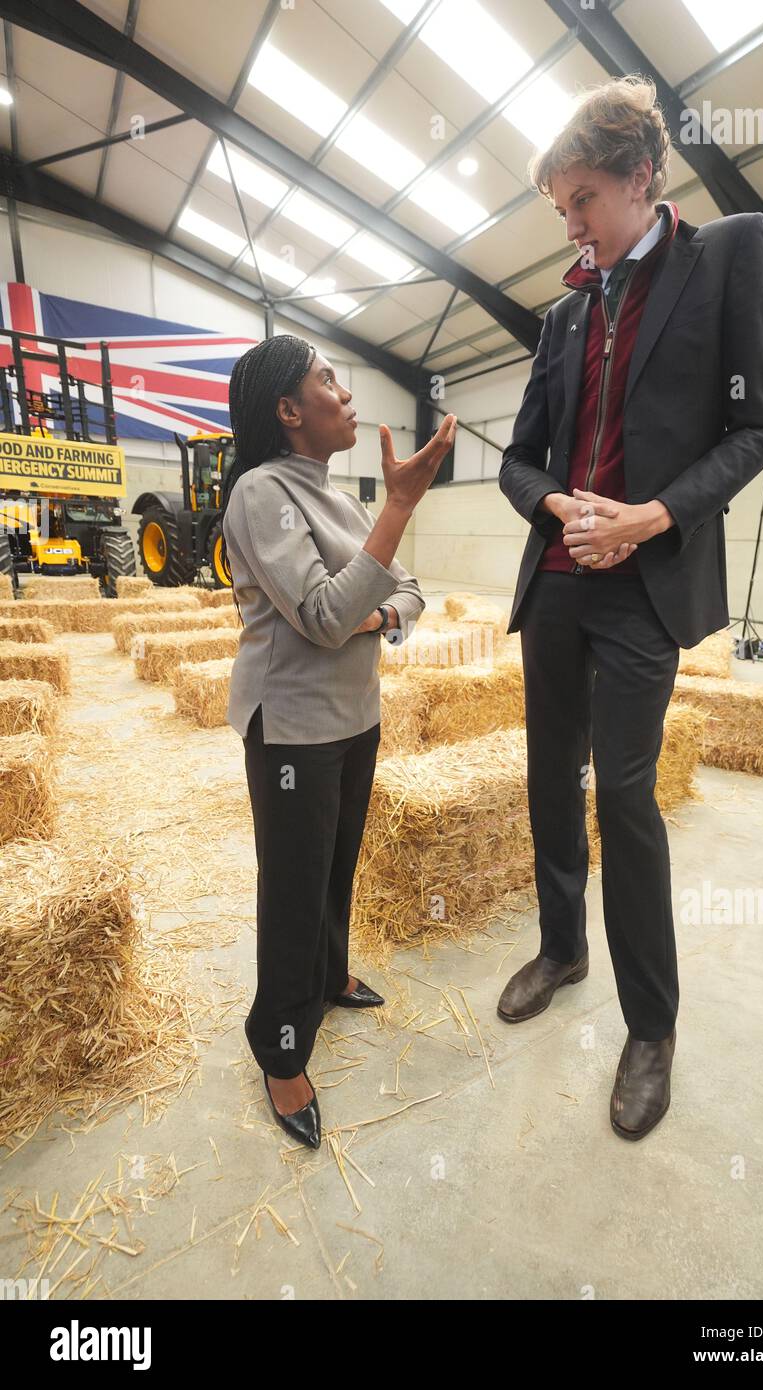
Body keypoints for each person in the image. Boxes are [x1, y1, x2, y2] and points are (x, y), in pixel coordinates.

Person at [497, 75, 763, 1139]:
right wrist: (558, 501)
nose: (568, 225)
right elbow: (518, 465)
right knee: (545, 778)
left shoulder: (728, 254)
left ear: (639, 178)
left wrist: (650, 514)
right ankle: (562, 946)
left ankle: (649, 1027)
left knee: (623, 795)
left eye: (579, 200)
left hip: (641, 587)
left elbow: (755, 430)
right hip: (559, 580)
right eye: (558, 209)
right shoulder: (565, 312)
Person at [219, 334, 456, 1148]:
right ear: (288, 410)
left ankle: (327, 976)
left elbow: (408, 590)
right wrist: (396, 513)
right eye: (328, 380)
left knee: (336, 863)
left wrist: (378, 612)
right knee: (293, 885)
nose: (346, 393)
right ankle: (281, 1051)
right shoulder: (261, 492)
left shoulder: (337, 494)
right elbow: (322, 617)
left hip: (355, 715)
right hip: (292, 730)